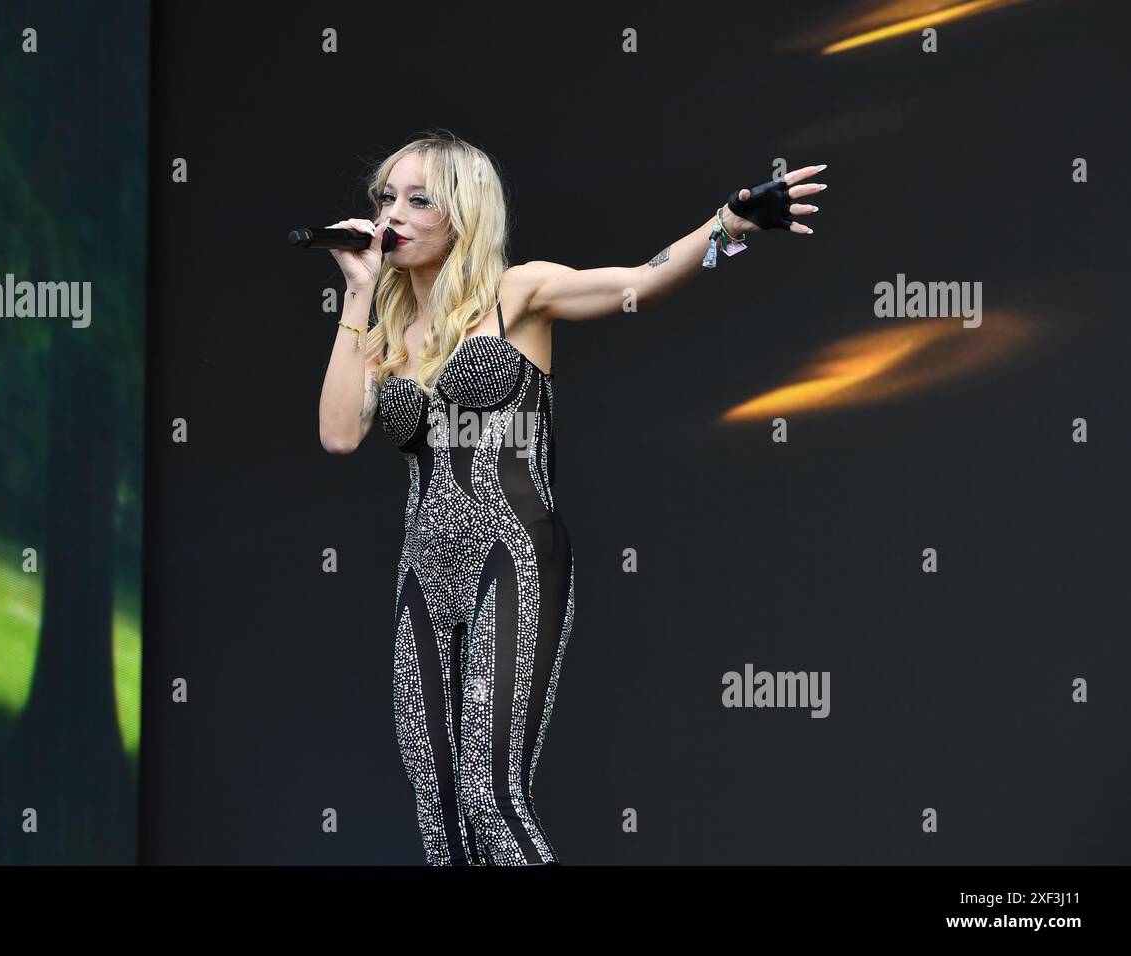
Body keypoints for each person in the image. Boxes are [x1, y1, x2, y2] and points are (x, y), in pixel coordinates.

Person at [317, 131, 826, 865]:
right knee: (440, 811)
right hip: (424, 576)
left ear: (461, 214)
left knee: (491, 797)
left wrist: (727, 226)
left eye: (417, 198)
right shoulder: (384, 327)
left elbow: (641, 282)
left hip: (514, 557)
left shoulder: (517, 292)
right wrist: (358, 295)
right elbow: (337, 436)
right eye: (386, 197)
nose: (393, 212)